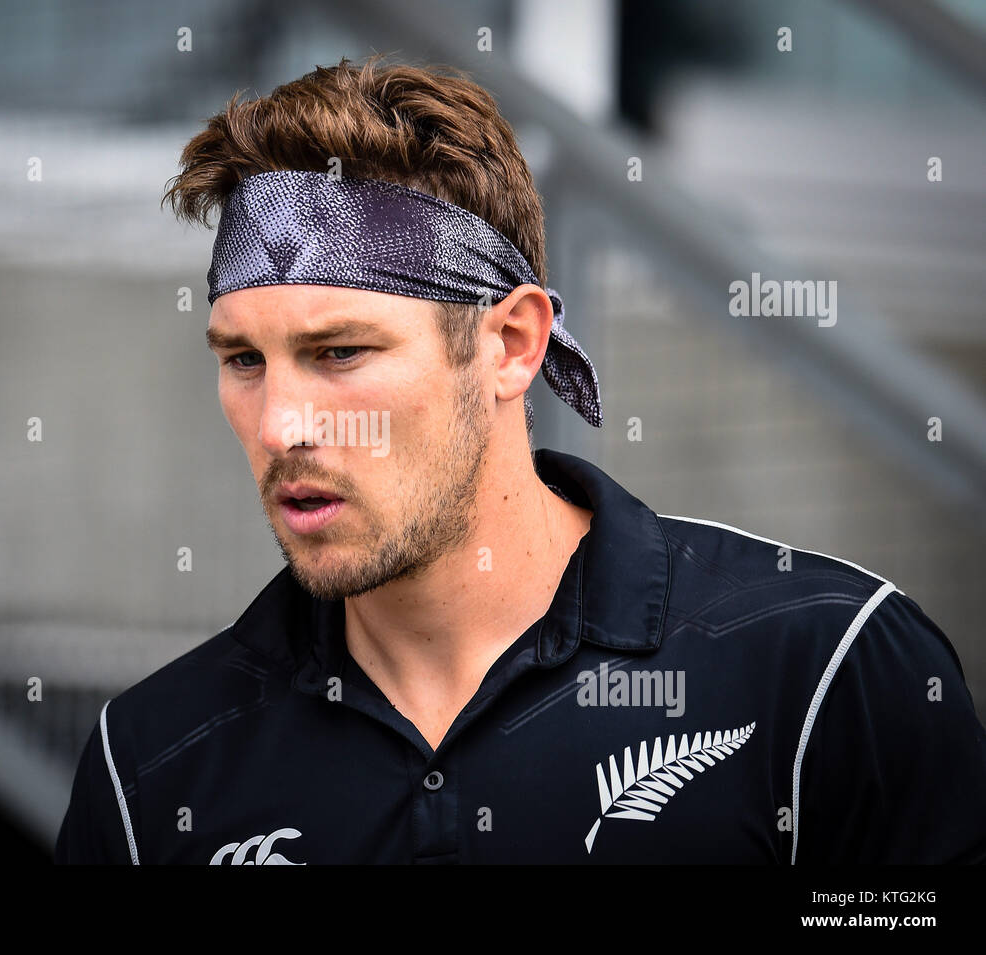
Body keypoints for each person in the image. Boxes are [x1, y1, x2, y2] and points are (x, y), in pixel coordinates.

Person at [55, 55, 986, 864]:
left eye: (340, 352)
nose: (282, 424)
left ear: (511, 345)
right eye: (243, 360)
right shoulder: (153, 769)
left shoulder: (824, 671)